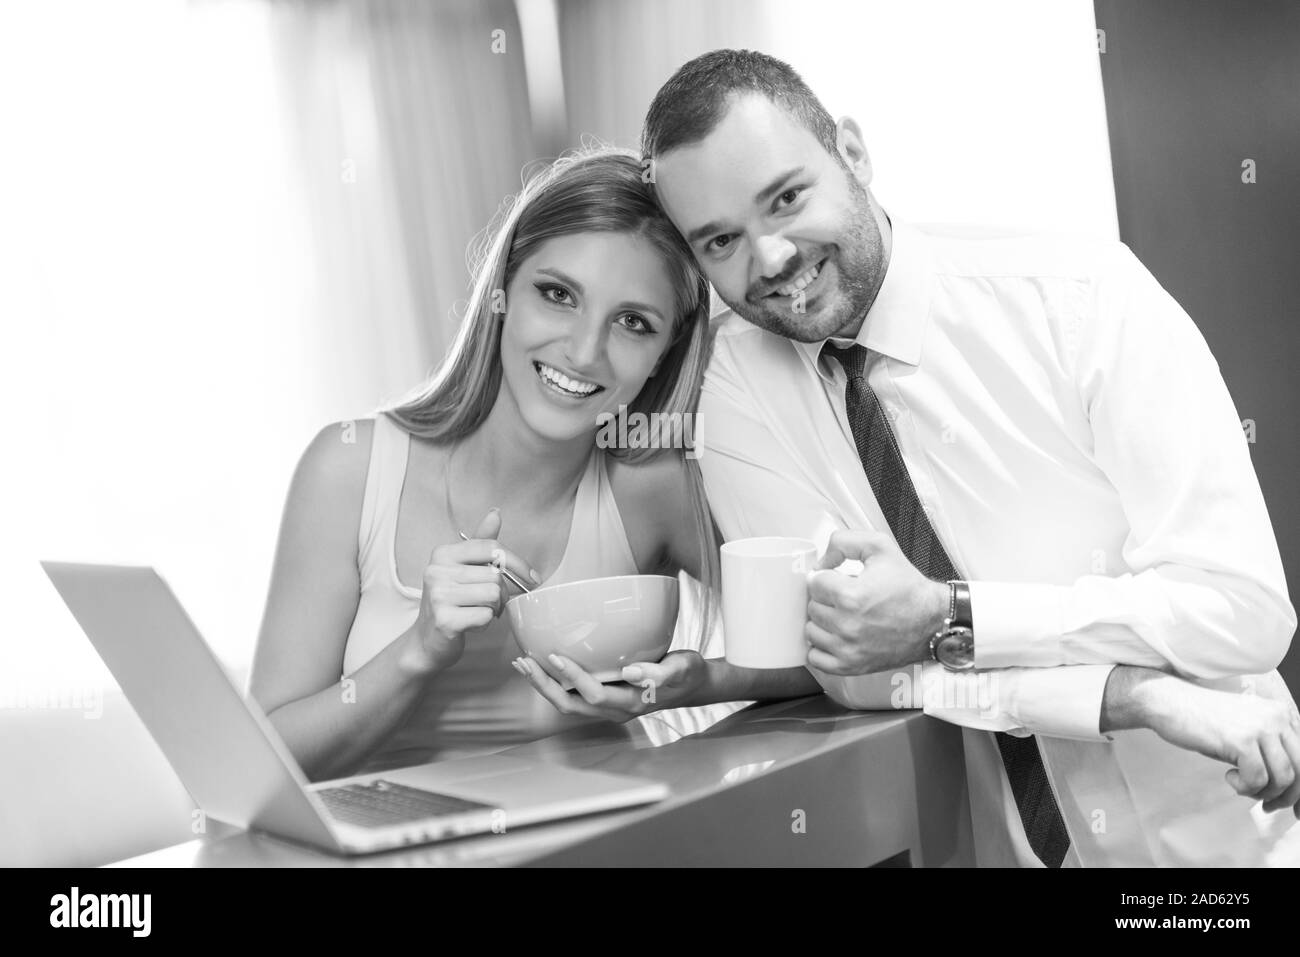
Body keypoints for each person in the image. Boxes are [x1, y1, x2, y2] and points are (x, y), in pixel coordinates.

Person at [628, 48, 1300, 866]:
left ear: (852, 151)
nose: (769, 260)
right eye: (721, 241)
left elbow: (1241, 611)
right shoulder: (736, 396)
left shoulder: (1082, 299)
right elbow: (858, 665)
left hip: (1216, 860)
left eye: (787, 198)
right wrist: (1132, 693)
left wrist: (953, 615)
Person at [247, 147, 807, 782]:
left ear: (664, 354)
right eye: (557, 294)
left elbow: (829, 657)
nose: (584, 350)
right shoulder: (349, 468)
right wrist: (419, 649)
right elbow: (262, 762)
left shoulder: (650, 489)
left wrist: (697, 683)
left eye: (632, 322)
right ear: (500, 293)